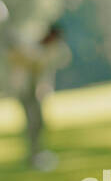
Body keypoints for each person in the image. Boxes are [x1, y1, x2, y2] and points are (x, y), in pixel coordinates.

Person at [7, 23, 71, 169]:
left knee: (39, 124)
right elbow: (16, 57)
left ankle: (37, 154)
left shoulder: (47, 51)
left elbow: (39, 65)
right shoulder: (31, 45)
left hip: (35, 93)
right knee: (33, 123)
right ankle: (34, 156)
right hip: (24, 92)